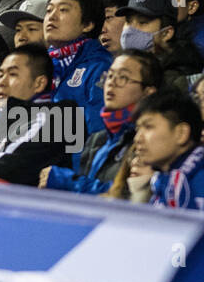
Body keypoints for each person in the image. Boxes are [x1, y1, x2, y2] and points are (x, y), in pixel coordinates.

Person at [42, 47, 160, 193]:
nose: (111, 83)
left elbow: (133, 193)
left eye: (123, 77)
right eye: (109, 76)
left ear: (148, 92)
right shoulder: (98, 139)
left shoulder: (150, 140)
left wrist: (67, 181)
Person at [0, 44, 80, 185]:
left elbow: (2, 173)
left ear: (39, 83)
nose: (1, 83)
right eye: (0, 75)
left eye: (12, 74)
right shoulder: (9, 123)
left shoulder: (58, 118)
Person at [43, 0, 112, 136]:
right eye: (49, 10)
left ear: (88, 24)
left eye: (63, 10)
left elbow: (97, 136)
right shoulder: (38, 65)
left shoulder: (101, 69)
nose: (51, 17)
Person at [133, 87, 204, 211]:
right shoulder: (167, 178)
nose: (137, 138)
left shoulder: (201, 181)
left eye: (148, 127)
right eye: (137, 129)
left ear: (181, 133)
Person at [118, 0, 204, 90]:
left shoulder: (176, 81)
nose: (130, 30)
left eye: (142, 22)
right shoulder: (127, 66)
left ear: (166, 33)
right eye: (128, 21)